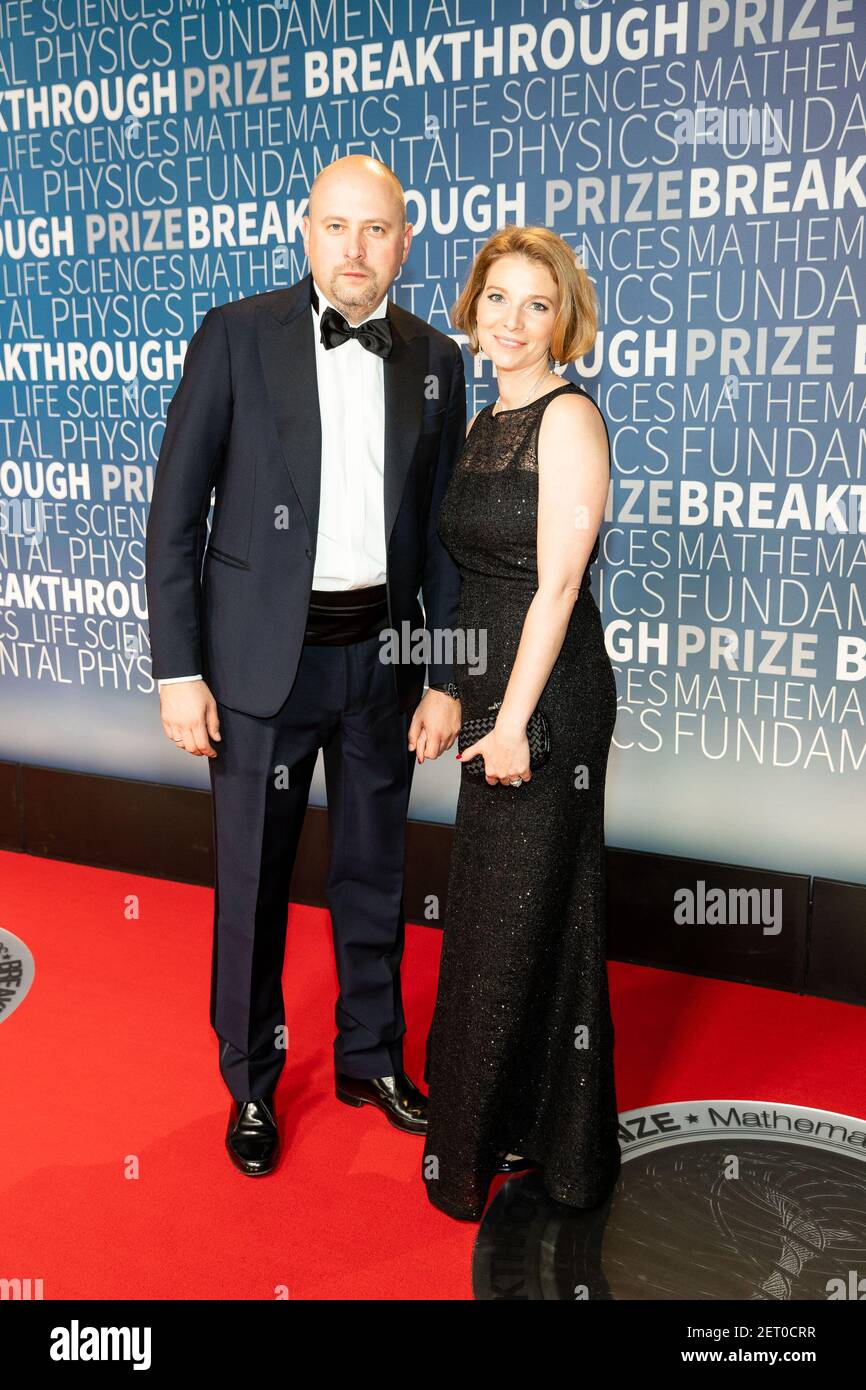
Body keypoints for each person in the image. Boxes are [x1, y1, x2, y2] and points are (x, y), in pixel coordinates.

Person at [145, 156, 465, 1176]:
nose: (355, 249)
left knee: (374, 876)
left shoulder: (433, 358)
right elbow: (173, 520)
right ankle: (250, 1080)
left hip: (381, 663)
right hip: (253, 673)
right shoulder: (236, 336)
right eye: (337, 227)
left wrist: (445, 673)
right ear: (304, 230)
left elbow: (447, 536)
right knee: (252, 885)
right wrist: (176, 671)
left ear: (405, 240)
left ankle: (369, 1057)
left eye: (376, 230)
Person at [421, 226, 621, 1220]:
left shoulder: (566, 419)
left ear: (562, 318)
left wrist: (512, 725)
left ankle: (505, 1137)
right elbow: (471, 584)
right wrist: (448, 689)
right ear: (471, 308)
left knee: (519, 911)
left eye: (534, 304)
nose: (509, 321)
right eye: (495, 298)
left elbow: (555, 585)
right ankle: (527, 1127)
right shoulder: (482, 421)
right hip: (489, 682)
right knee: (506, 907)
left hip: (549, 693)